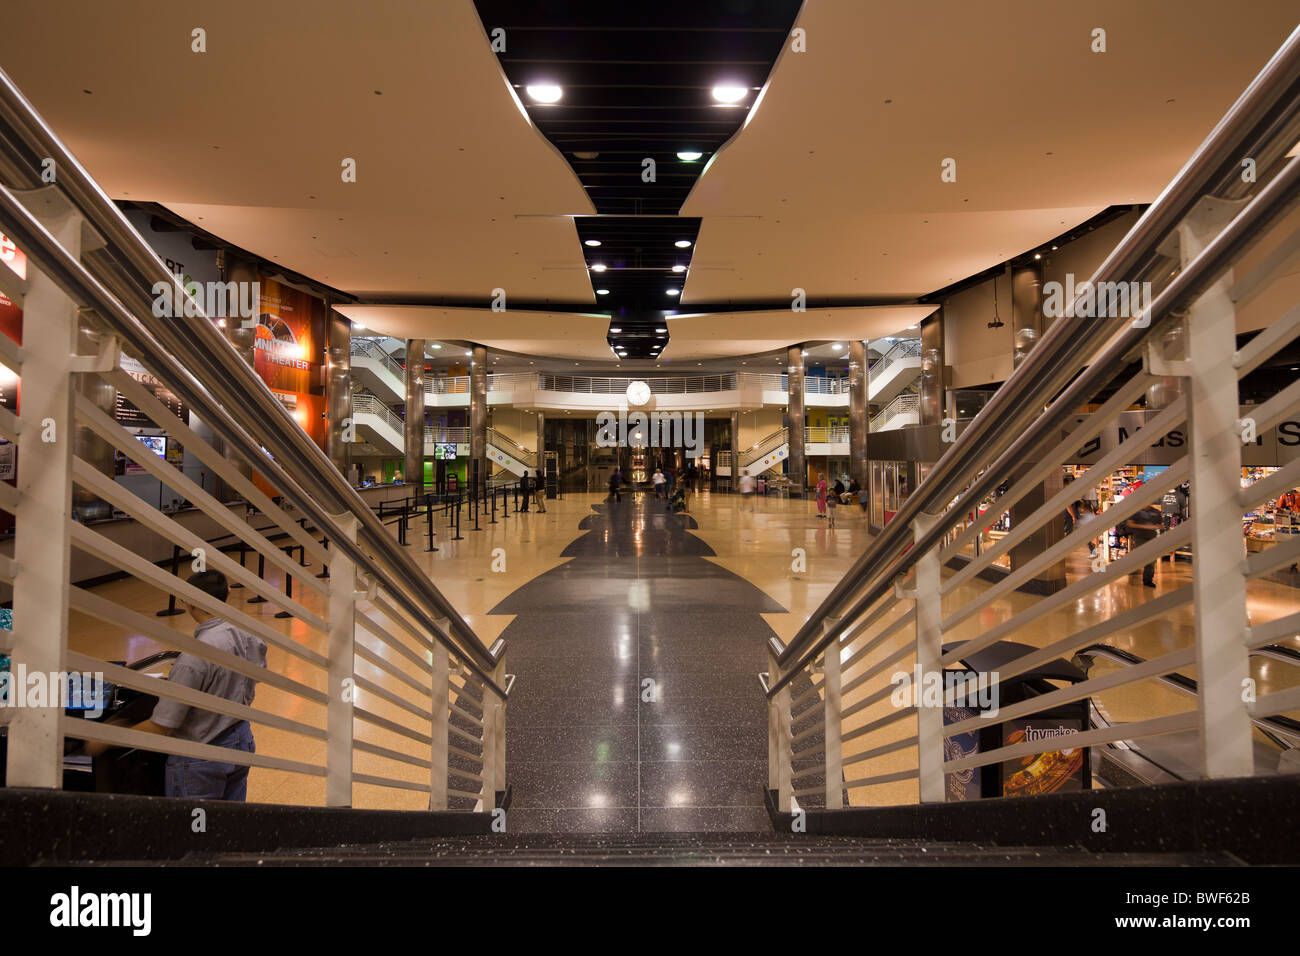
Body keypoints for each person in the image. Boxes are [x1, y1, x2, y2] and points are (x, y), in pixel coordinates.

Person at [88, 570, 267, 801]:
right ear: (228, 593)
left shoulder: (193, 659)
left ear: (191, 602)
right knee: (229, 825)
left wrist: (107, 736)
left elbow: (162, 726)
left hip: (201, 759)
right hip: (240, 742)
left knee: (192, 832)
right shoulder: (248, 636)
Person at [1127, 502, 1163, 588]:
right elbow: (1129, 523)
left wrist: (1155, 527)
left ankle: (1148, 580)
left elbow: (1161, 526)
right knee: (1140, 557)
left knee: (1151, 559)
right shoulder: (1136, 511)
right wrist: (1144, 526)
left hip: (1152, 538)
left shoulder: (1156, 512)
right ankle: (1132, 571)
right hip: (1140, 538)